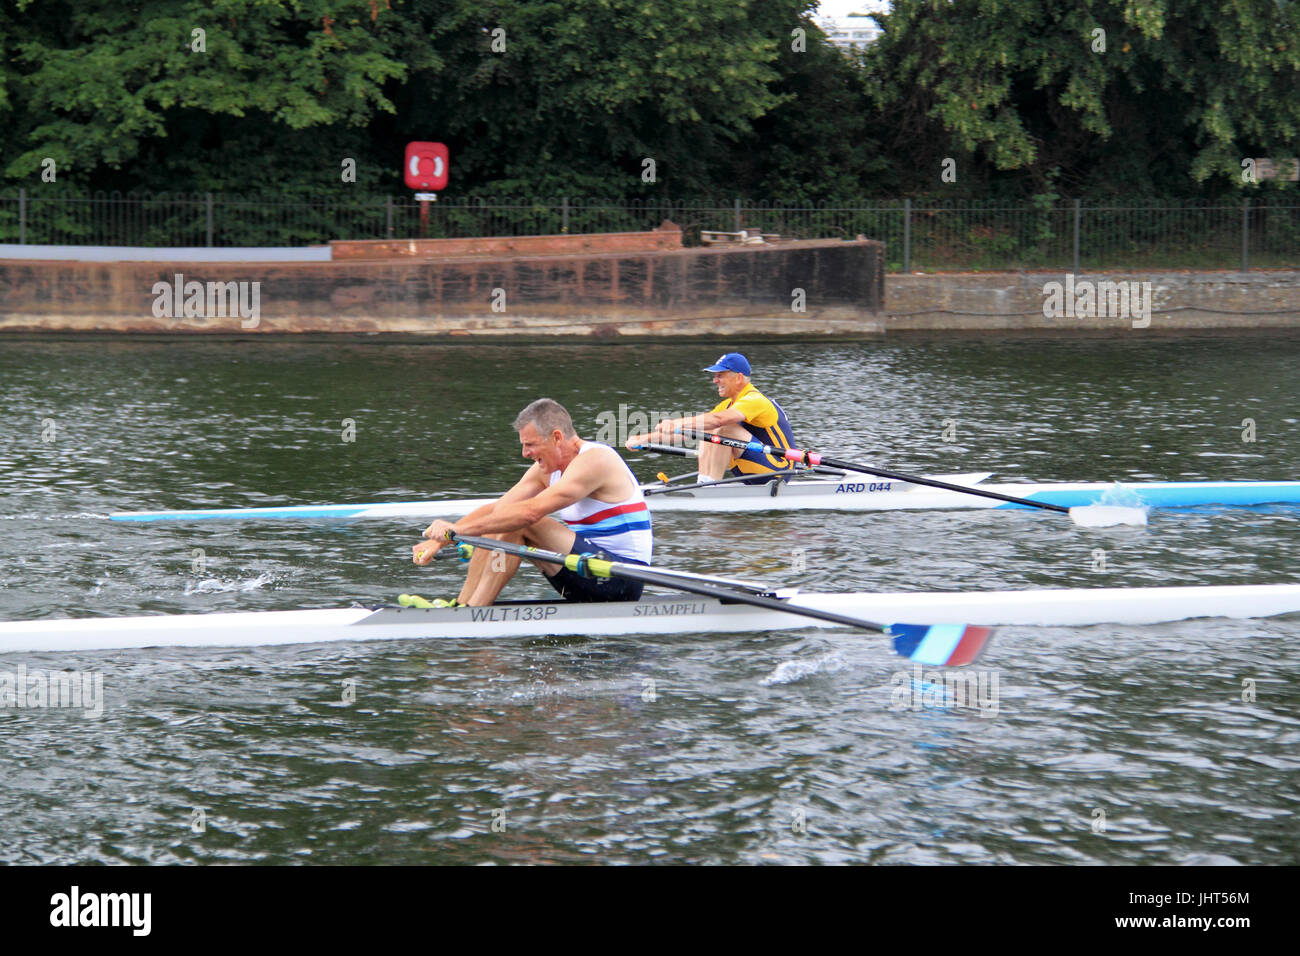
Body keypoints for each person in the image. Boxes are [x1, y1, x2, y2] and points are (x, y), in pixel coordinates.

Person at [412, 398, 652, 606]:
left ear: (557, 437)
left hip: (623, 579)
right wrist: (439, 541)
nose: (525, 453)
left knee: (520, 521)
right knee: (500, 521)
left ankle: (473, 612)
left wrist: (458, 530)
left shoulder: (596, 460)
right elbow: (498, 510)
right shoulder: (545, 471)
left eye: (530, 445)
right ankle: (463, 605)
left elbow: (530, 513)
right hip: (586, 571)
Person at [625, 352, 797, 482]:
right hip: (754, 468)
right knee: (704, 426)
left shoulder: (755, 399)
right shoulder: (728, 406)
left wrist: (674, 421)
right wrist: (642, 439)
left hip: (778, 470)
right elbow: (685, 432)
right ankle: (705, 482)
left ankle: (708, 485)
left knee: (721, 427)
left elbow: (718, 421)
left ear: (738, 378)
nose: (715, 380)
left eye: (720, 375)